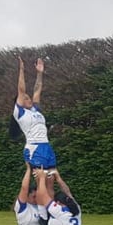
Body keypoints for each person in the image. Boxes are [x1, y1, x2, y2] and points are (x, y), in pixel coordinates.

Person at [10, 57, 69, 190]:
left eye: (28, 97)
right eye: (25, 98)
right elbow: (21, 89)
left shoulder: (35, 109)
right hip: (35, 148)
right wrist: (21, 70)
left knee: (51, 183)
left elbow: (37, 89)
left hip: (46, 146)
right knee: (40, 183)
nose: (29, 98)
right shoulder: (20, 113)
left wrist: (39, 73)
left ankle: (50, 210)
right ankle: (41, 208)